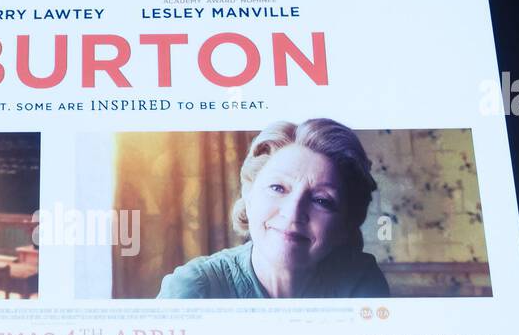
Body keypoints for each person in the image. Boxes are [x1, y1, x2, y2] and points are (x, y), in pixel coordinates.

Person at [158, 119, 391, 298]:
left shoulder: (359, 280)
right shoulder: (194, 288)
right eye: (278, 188)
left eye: (322, 200)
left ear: (344, 224)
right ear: (248, 197)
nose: (293, 213)